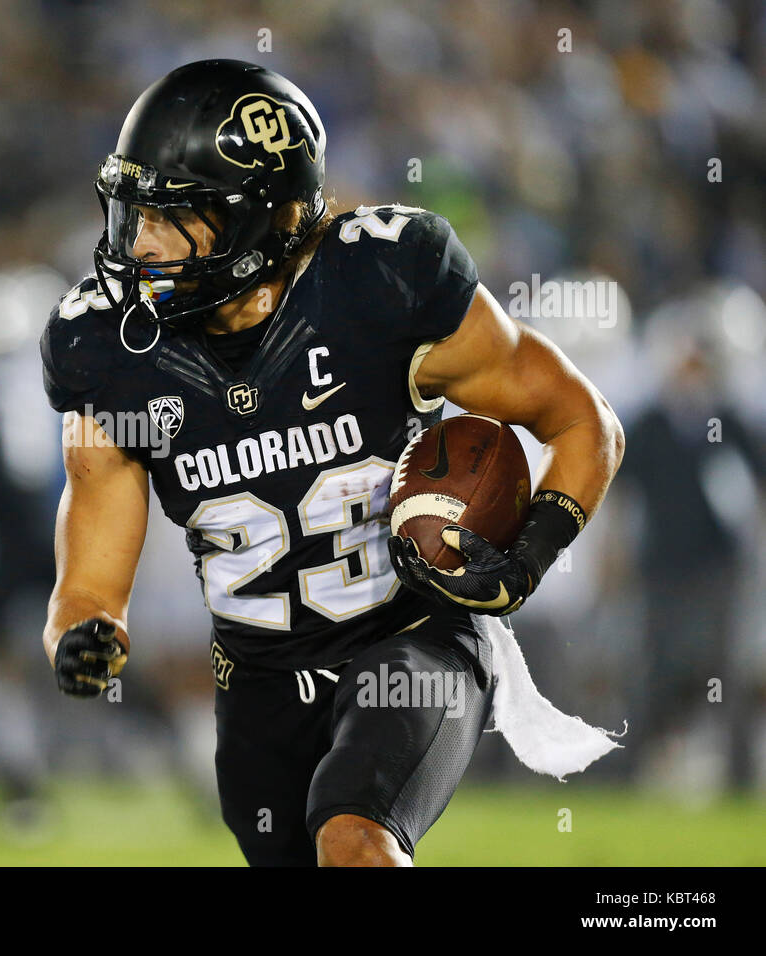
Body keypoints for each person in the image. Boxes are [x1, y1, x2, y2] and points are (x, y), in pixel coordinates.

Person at [38, 60, 625, 866]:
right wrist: (80, 632)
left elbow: (583, 421)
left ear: (259, 219)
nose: (139, 244)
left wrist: (526, 559)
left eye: (174, 219)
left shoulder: (382, 281)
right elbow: (90, 576)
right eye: (134, 214)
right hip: (259, 684)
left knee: (356, 845)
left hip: (412, 635)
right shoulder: (106, 349)